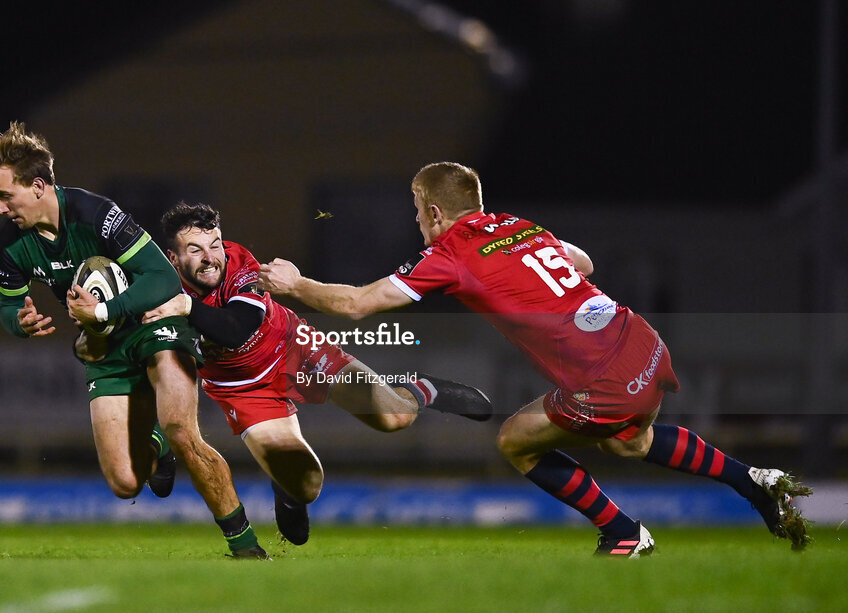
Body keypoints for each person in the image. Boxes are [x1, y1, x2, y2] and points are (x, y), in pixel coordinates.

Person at [259, 161, 812, 556]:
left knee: (515, 442)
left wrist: (295, 283)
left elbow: (356, 304)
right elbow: (584, 263)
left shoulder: (450, 252)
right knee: (630, 441)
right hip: (640, 340)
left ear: (432, 210)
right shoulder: (517, 226)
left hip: (603, 377)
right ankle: (755, 479)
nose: (417, 223)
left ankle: (622, 531)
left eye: (416, 211)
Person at [0, 122, 268, 559]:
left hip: (154, 323)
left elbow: (163, 278)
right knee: (125, 482)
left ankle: (245, 546)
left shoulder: (95, 212)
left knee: (182, 428)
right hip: (102, 345)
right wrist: (21, 322)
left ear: (37, 186)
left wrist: (104, 310)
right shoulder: (8, 246)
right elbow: (9, 310)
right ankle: (155, 446)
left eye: (4, 195)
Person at [137, 202, 491, 545]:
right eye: (195, 250)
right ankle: (287, 487)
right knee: (307, 484)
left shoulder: (240, 264)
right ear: (173, 259)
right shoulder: (159, 287)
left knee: (395, 417)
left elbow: (235, 329)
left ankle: (424, 390)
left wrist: (187, 307)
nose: (211, 257)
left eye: (214, 245)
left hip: (296, 349)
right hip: (244, 389)